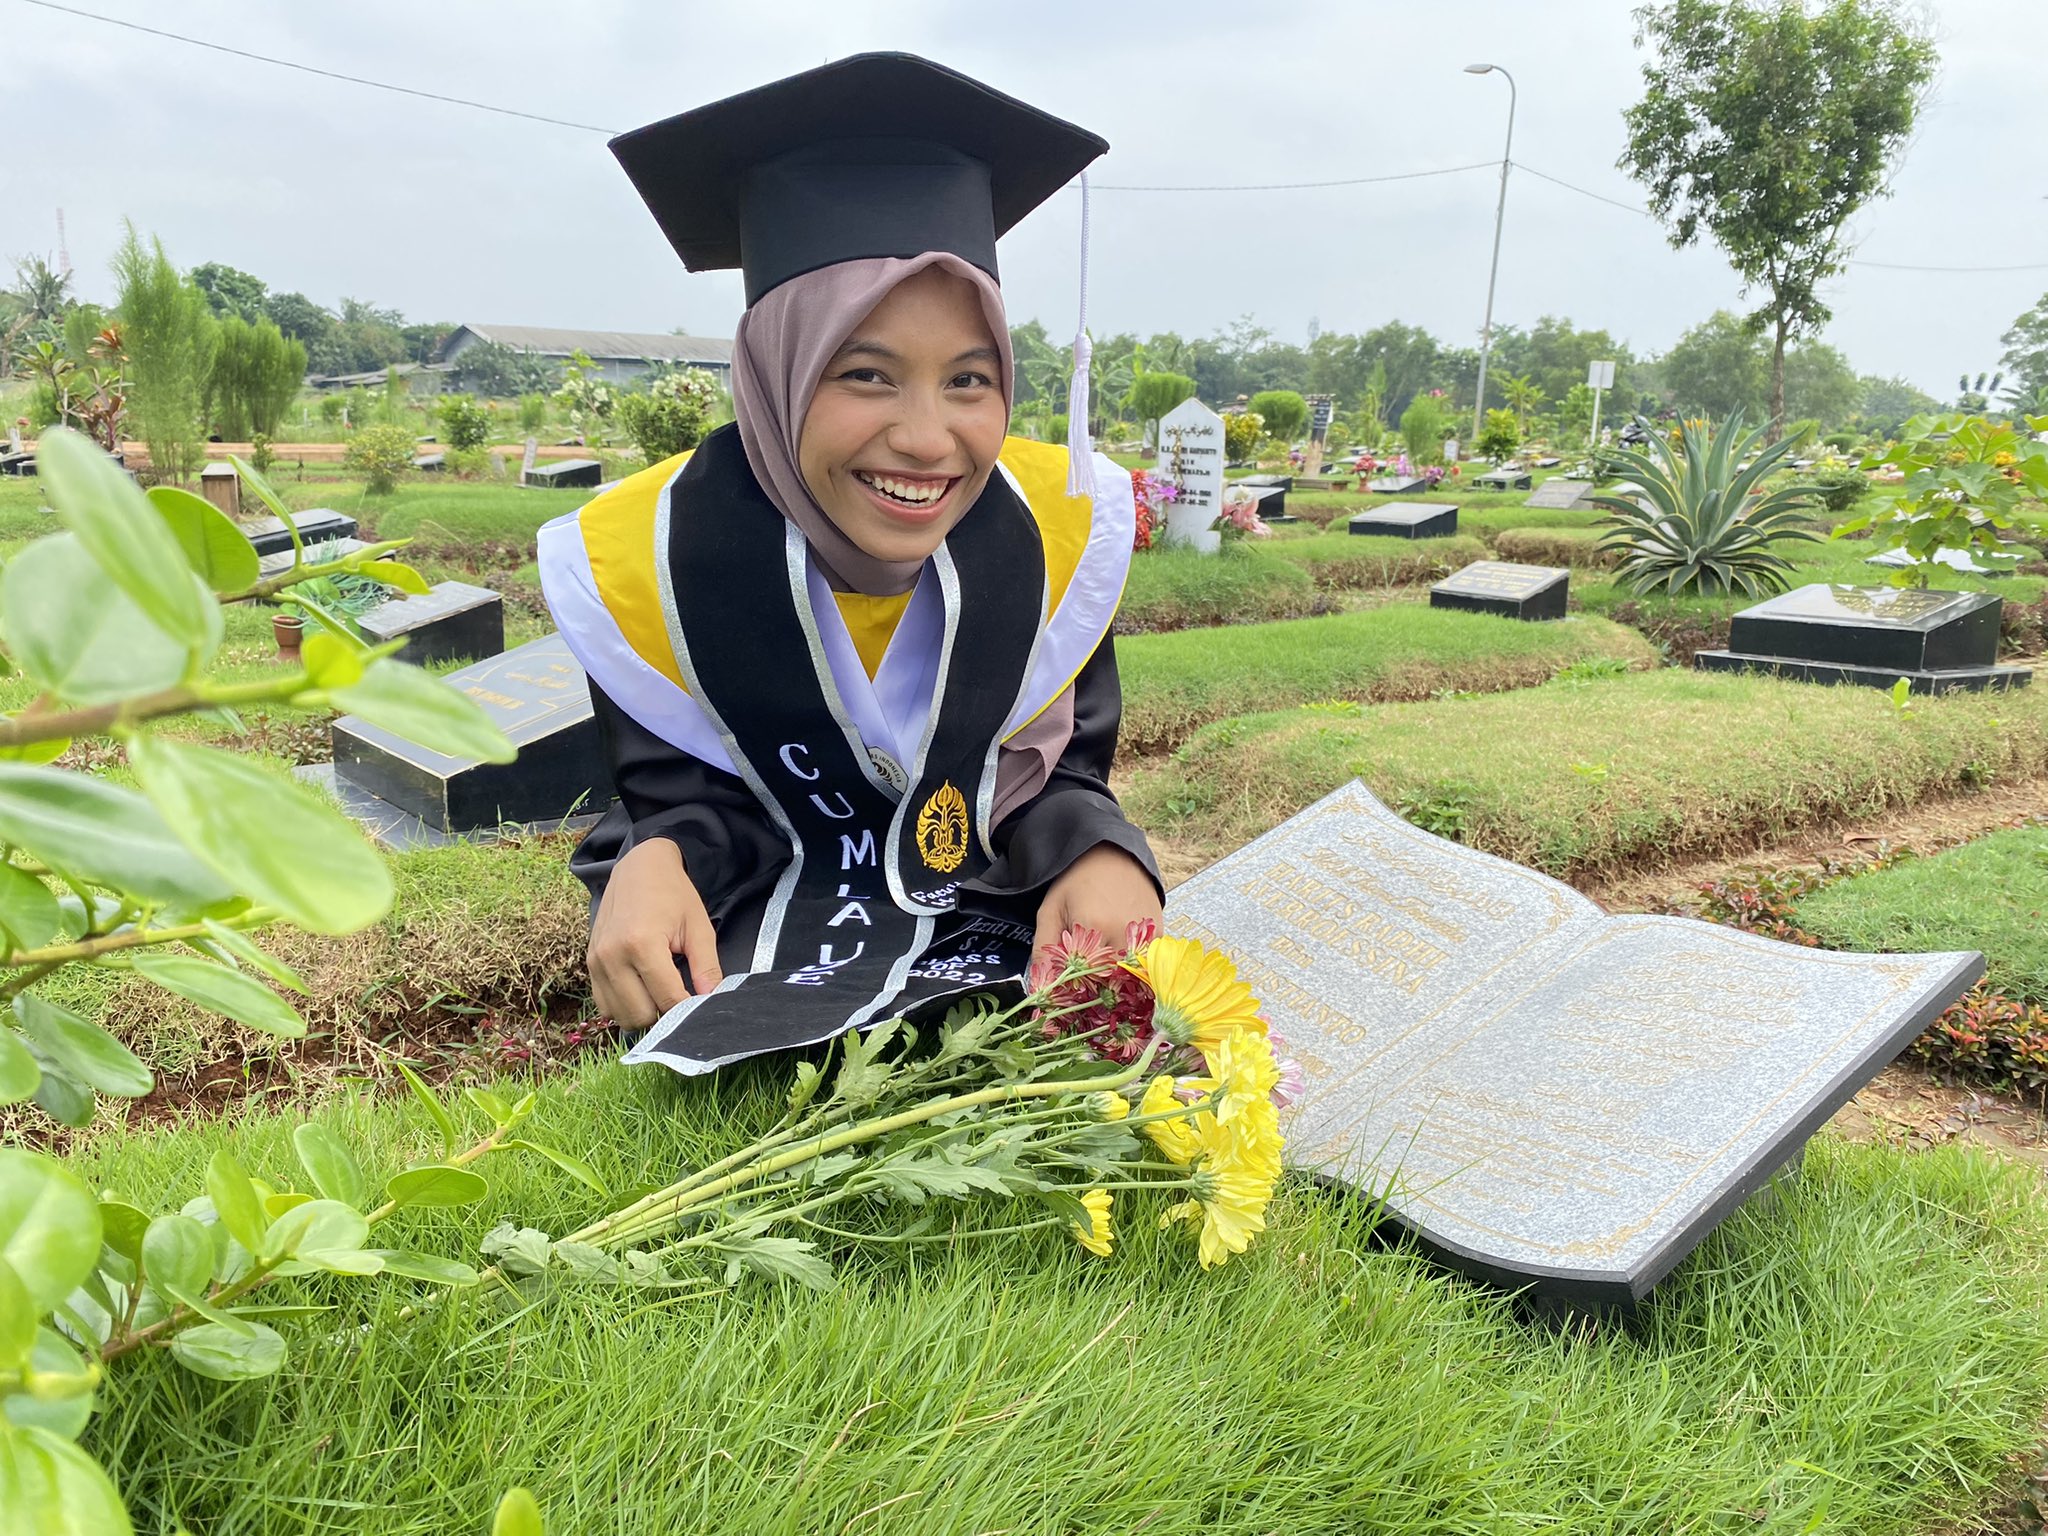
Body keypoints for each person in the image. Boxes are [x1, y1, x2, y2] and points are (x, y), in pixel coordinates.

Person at [537, 54, 1162, 1076]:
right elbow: (688, 799)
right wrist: (650, 860)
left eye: (969, 380)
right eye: (865, 374)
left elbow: (1059, 776)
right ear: (773, 372)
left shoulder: (1052, 535)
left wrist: (1098, 850)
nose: (927, 439)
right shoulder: (651, 562)